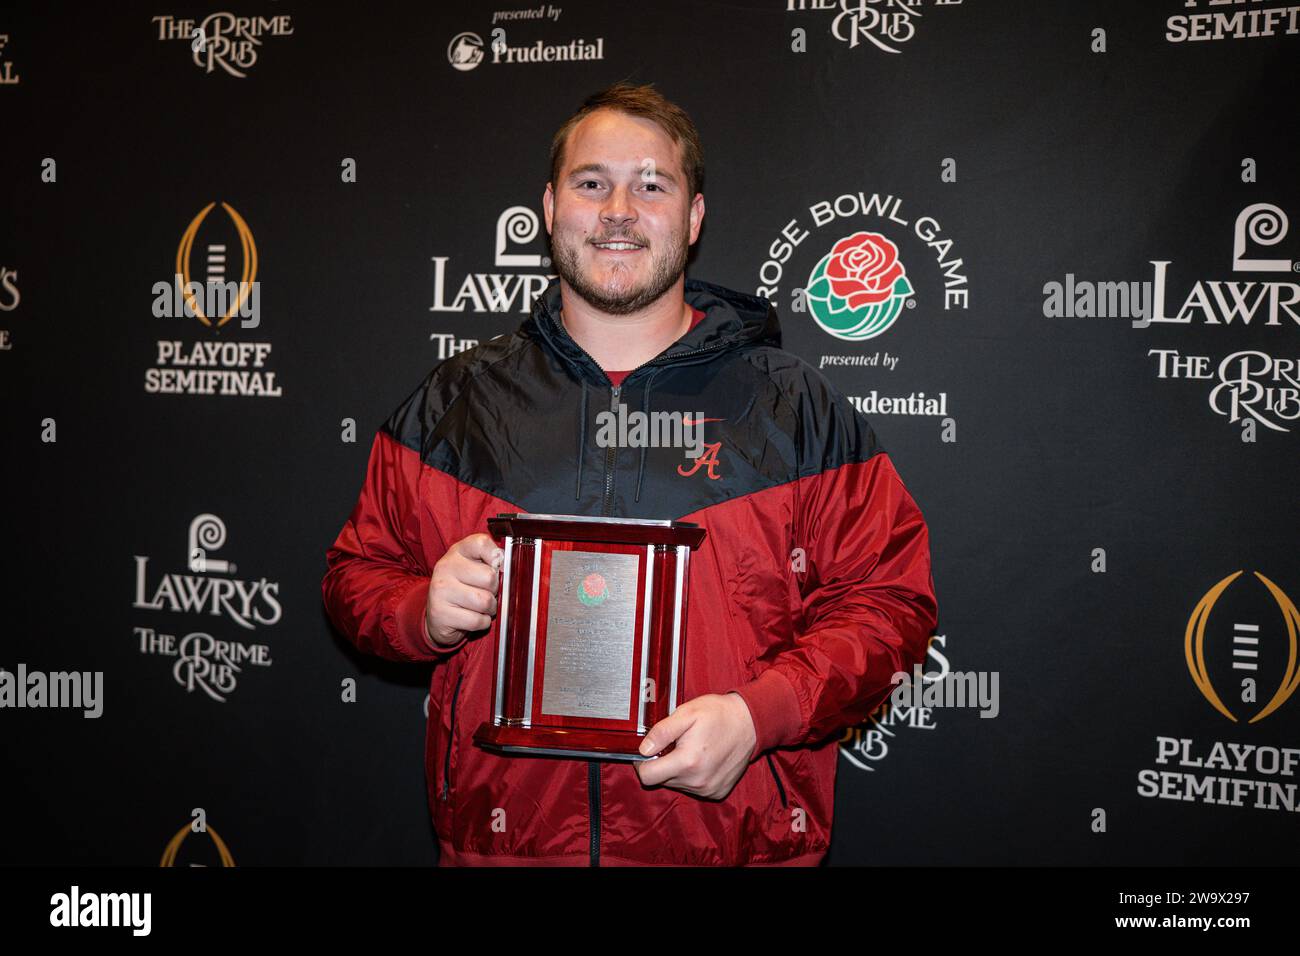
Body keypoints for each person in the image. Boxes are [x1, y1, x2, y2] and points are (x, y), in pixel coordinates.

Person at [321, 82, 938, 866]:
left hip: (730, 850)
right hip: (504, 850)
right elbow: (355, 575)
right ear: (550, 209)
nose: (619, 208)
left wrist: (758, 716)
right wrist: (420, 611)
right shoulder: (455, 401)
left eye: (652, 184)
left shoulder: (792, 407)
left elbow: (890, 602)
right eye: (592, 182)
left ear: (694, 217)